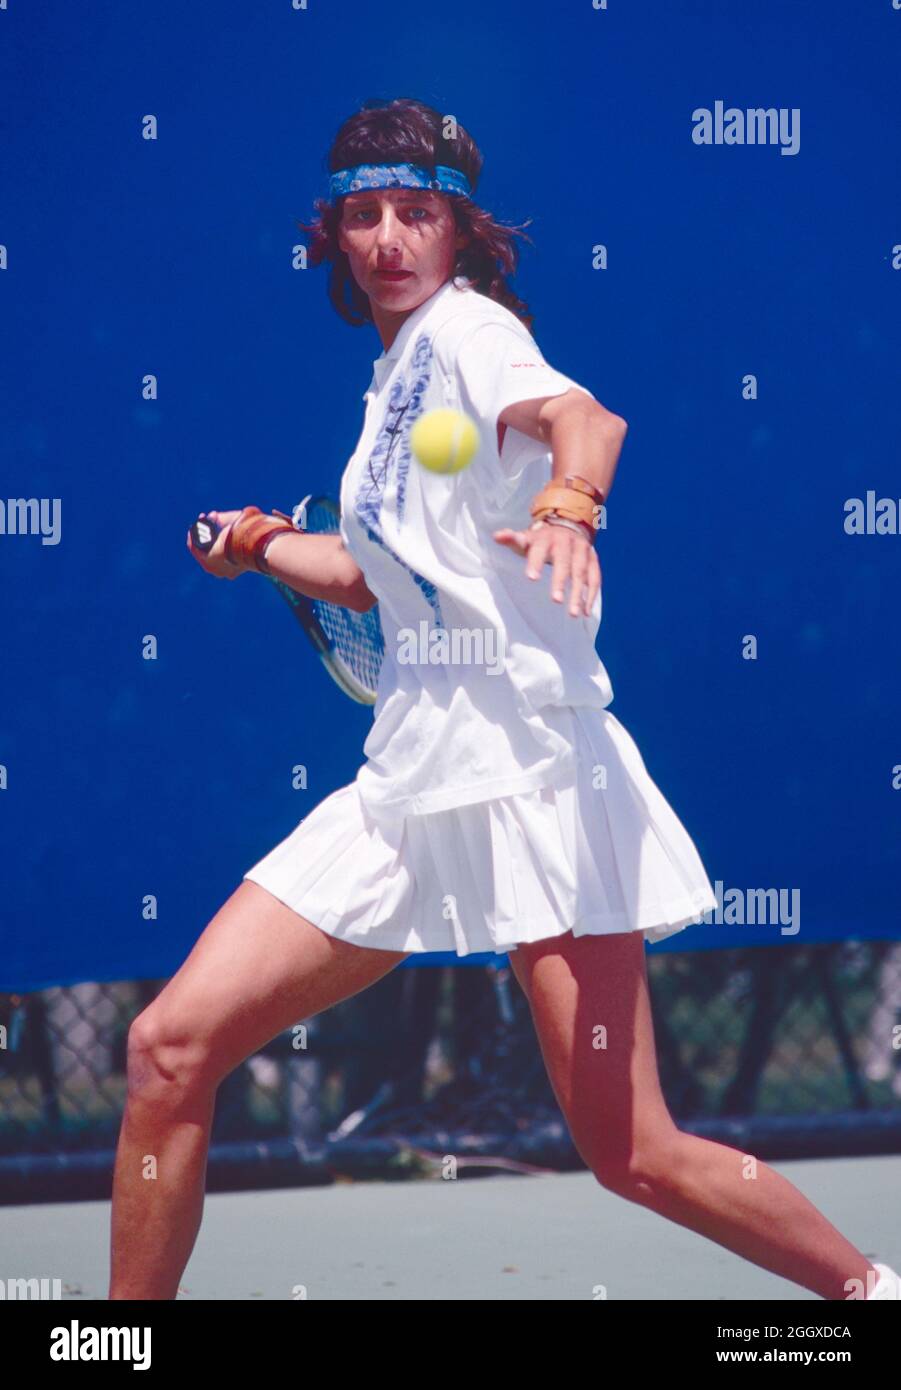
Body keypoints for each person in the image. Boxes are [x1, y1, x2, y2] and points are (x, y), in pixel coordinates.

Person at [108, 97, 900, 1301]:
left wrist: (569, 504)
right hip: (405, 786)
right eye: (362, 215)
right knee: (167, 1049)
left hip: (537, 777)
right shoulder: (391, 387)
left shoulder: (472, 335)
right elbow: (372, 581)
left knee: (633, 1154)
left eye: (415, 214)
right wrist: (264, 542)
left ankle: (867, 1295)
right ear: (331, 232)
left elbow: (586, 418)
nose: (386, 238)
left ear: (461, 232)